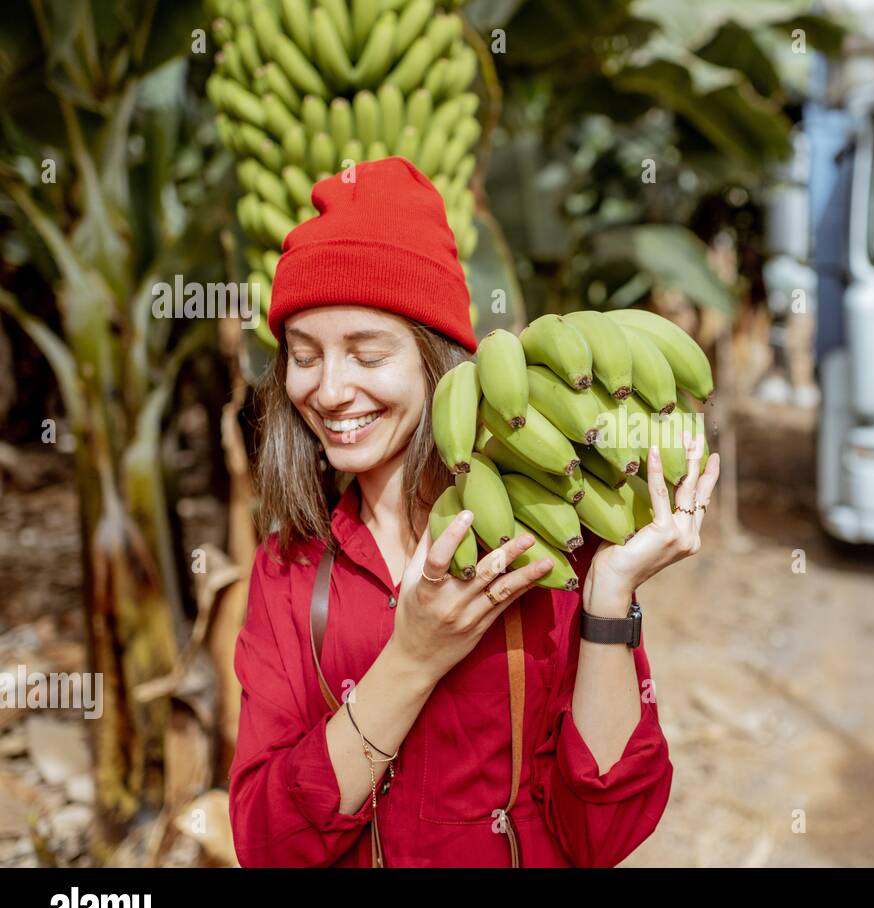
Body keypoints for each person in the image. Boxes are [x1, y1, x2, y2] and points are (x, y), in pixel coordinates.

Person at [227, 156, 720, 867]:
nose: (331, 389)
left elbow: (602, 833)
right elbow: (269, 844)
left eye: (367, 353)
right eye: (304, 356)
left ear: (435, 360)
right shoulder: (290, 567)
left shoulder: (544, 546)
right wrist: (413, 656)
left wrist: (609, 595)